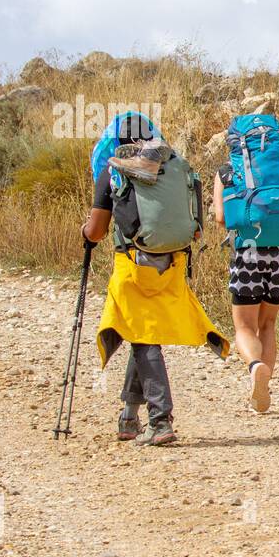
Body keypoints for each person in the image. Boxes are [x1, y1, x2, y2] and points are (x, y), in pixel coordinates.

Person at [83, 112, 229, 445]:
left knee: (143, 337)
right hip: (173, 264)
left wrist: (85, 233)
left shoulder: (113, 169)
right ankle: (129, 418)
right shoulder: (176, 167)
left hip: (135, 265)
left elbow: (96, 231)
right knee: (143, 332)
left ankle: (160, 420)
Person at [212, 113, 279, 413]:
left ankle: (255, 366)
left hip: (249, 249)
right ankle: (264, 388)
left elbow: (221, 218)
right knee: (268, 324)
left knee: (244, 325)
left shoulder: (228, 170)